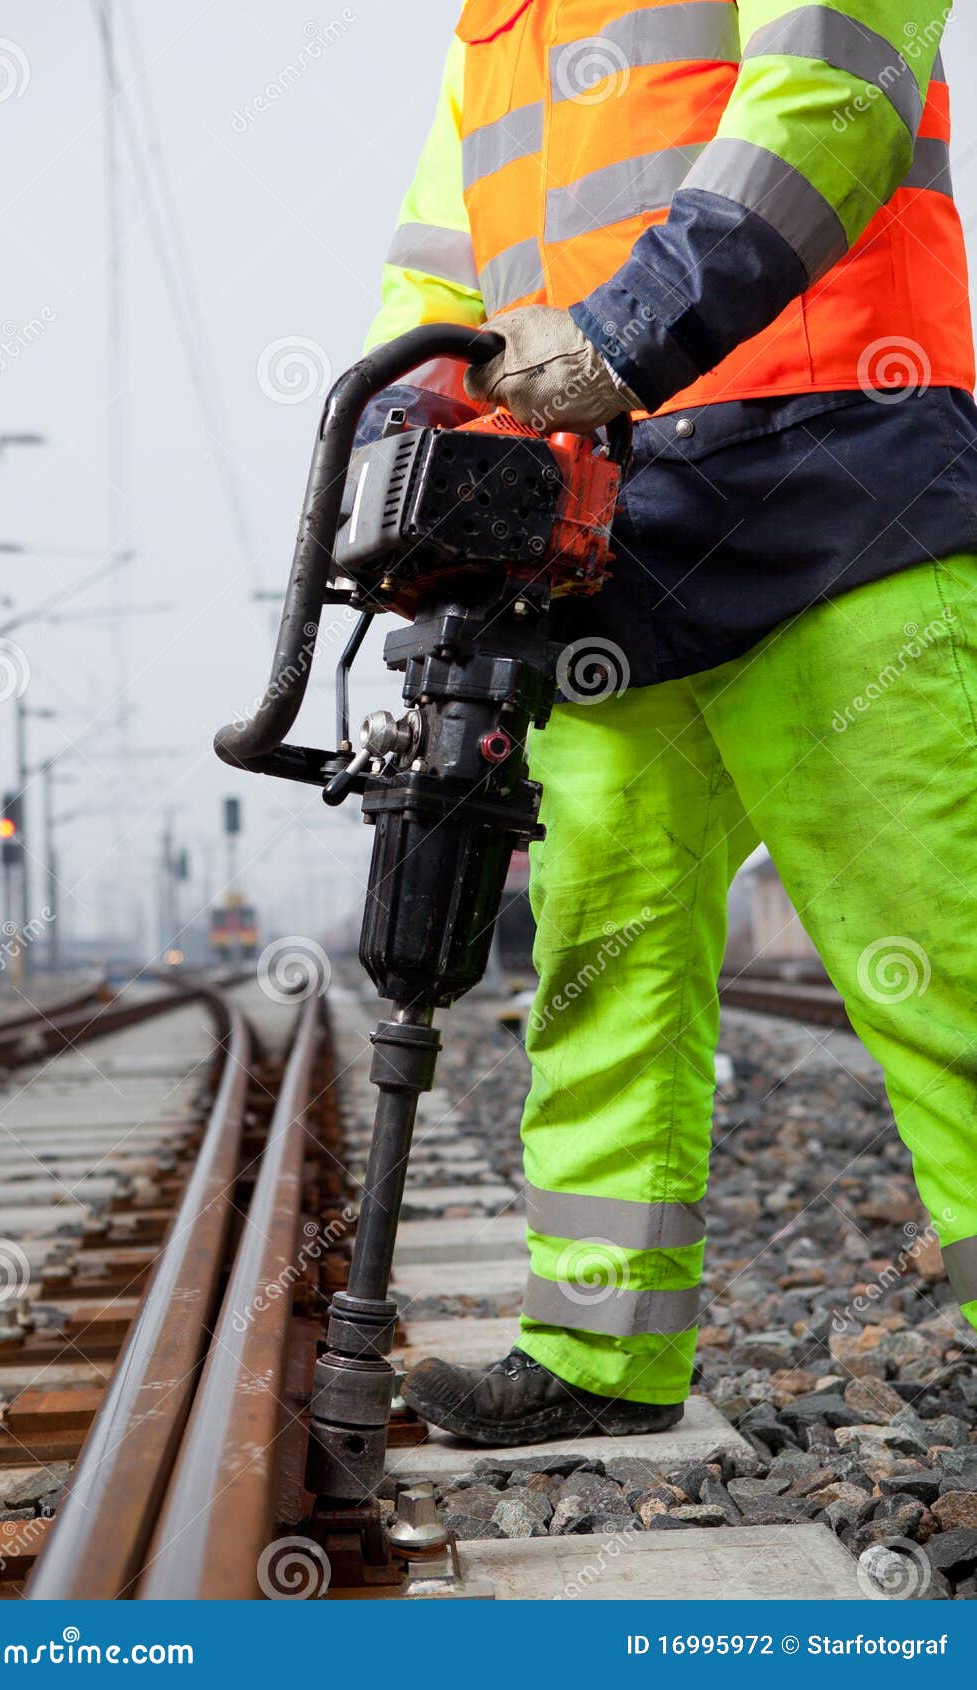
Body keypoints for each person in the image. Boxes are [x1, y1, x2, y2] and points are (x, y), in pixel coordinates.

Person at [358, 0, 977, 1446]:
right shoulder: (498, 26)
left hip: (840, 490)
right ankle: (597, 1347)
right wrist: (409, 428)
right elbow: (434, 269)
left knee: (945, 954)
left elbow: (832, 97)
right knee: (600, 966)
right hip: (605, 539)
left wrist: (630, 334)